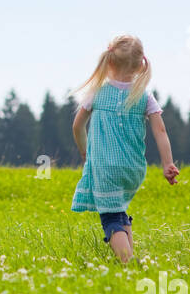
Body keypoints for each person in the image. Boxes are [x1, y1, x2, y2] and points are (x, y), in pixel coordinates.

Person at [71, 34, 179, 263]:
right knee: (118, 209)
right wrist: (168, 163)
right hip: (133, 170)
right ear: (141, 65)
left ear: (108, 61)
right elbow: (161, 132)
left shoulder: (96, 93)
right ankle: (129, 261)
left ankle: (126, 260)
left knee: (110, 218)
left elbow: (77, 125)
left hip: (105, 168)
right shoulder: (145, 96)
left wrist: (84, 151)